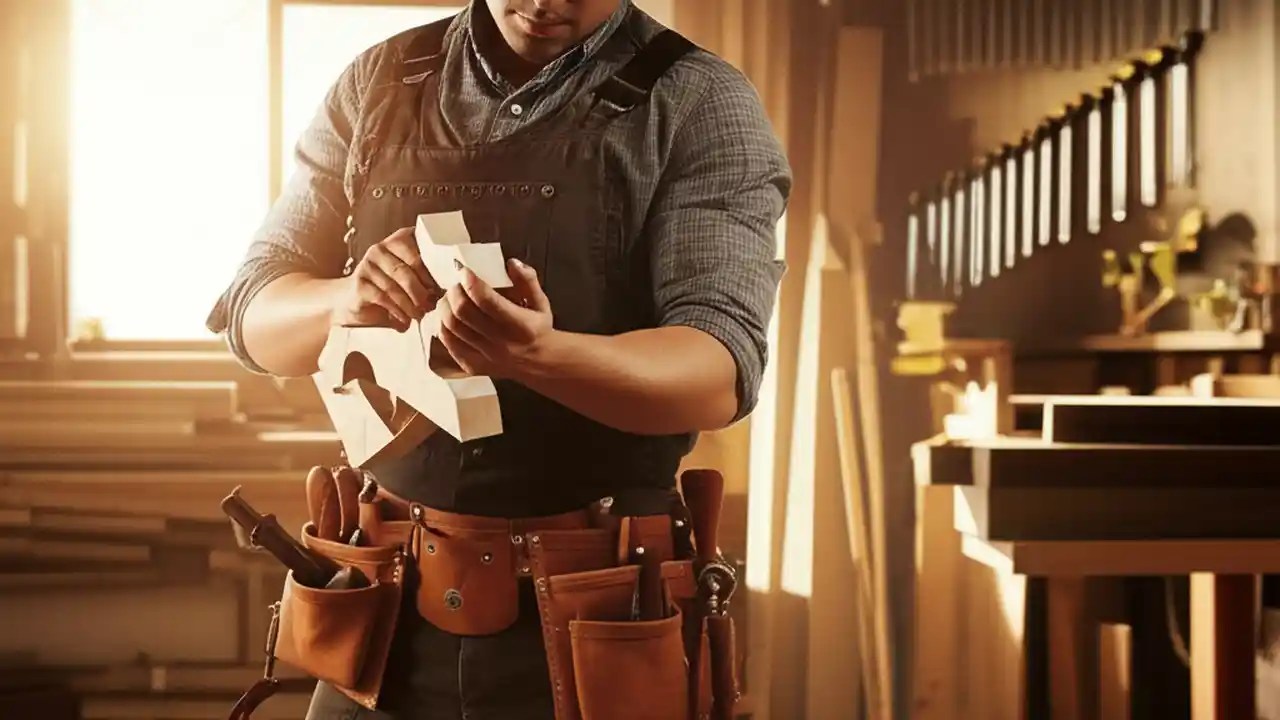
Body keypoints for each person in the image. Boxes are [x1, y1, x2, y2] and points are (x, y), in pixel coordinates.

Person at [207, 0, 791, 718]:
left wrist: (540, 357)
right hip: (383, 613)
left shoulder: (699, 101)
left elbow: (718, 370)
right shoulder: (379, 82)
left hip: (599, 615)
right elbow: (253, 318)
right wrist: (347, 296)